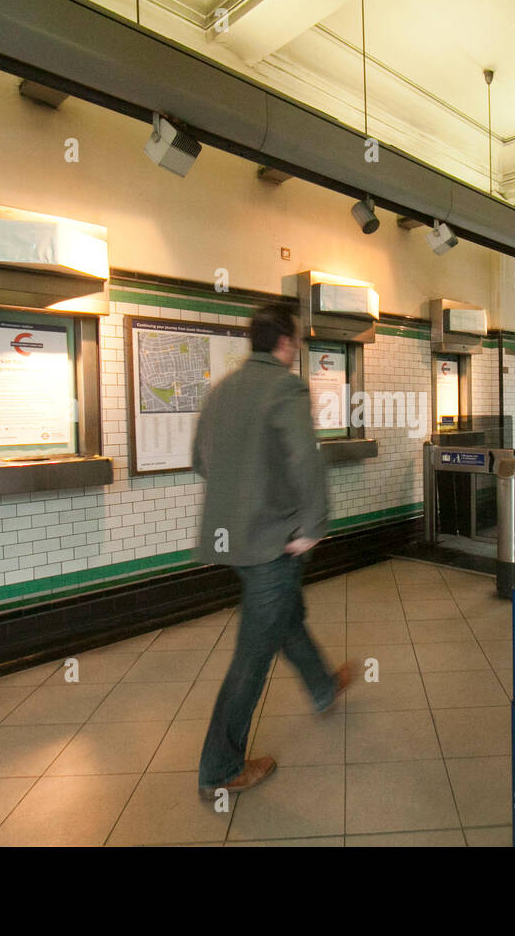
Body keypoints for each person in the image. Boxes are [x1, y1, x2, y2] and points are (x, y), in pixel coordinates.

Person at [192, 304, 355, 800]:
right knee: (252, 655)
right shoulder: (285, 387)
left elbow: (201, 460)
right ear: (284, 343)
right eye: (297, 341)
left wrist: (242, 499)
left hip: (233, 541)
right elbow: (307, 463)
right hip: (272, 544)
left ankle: (322, 686)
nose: (298, 348)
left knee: (286, 616)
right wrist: (313, 526)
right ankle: (220, 768)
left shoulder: (222, 390)